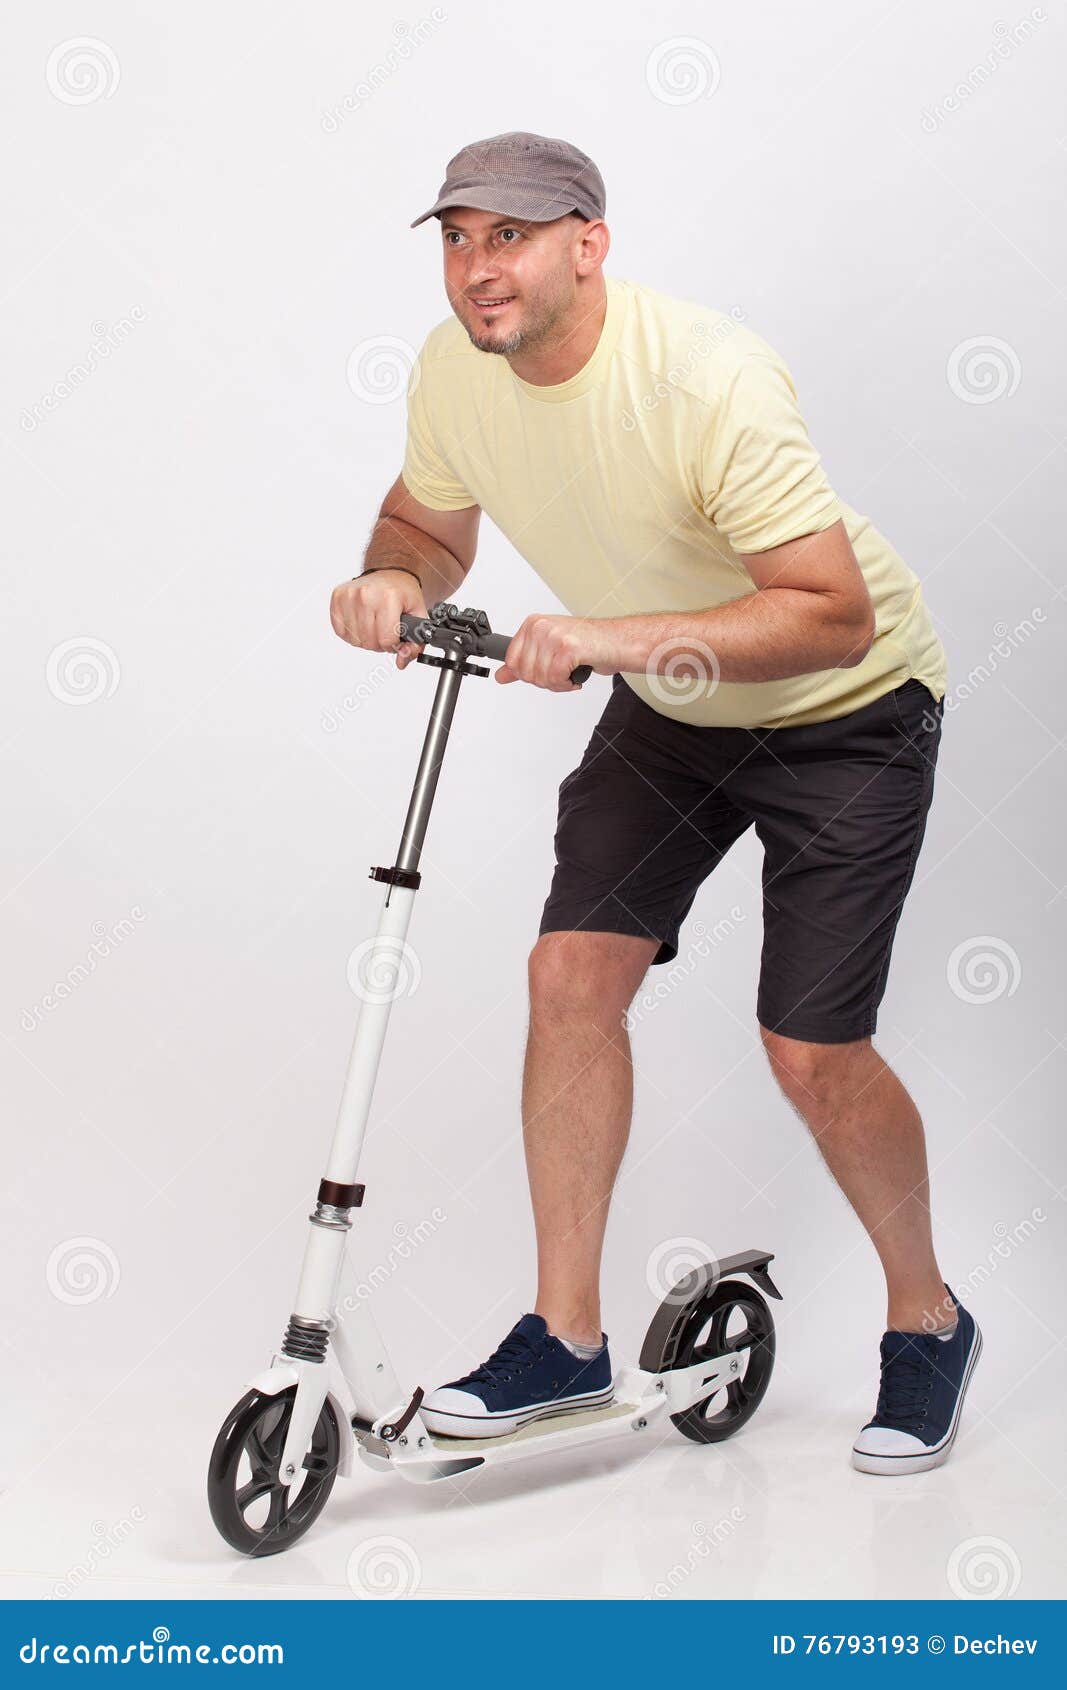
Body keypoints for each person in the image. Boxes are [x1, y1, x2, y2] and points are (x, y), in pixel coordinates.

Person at [329, 131, 982, 1475]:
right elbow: (424, 526)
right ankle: (565, 1339)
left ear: (589, 242)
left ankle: (928, 1318)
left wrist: (610, 639)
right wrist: (394, 578)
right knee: (570, 972)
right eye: (454, 239)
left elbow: (828, 612)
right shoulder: (458, 371)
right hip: (678, 706)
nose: (475, 269)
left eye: (506, 236)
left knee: (810, 1050)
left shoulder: (704, 377)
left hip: (842, 711)